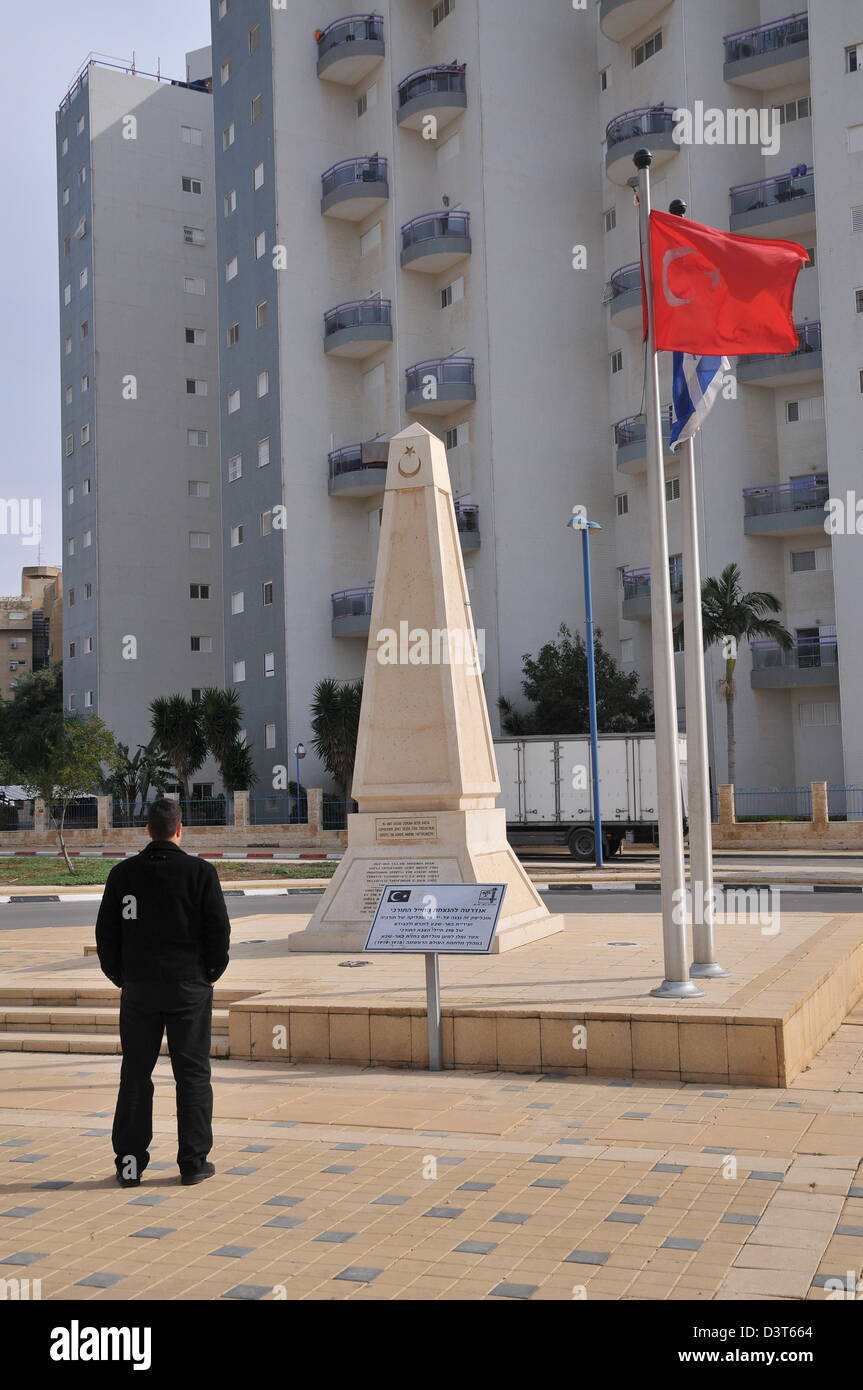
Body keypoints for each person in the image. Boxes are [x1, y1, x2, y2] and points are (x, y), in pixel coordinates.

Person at [96, 798, 230, 1188]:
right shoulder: (200, 873)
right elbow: (218, 931)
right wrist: (210, 974)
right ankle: (193, 1163)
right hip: (189, 987)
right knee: (192, 1074)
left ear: (148, 830)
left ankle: (130, 1165)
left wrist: (123, 978)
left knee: (135, 1074)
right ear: (179, 829)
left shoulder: (123, 874)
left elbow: (106, 935)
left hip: (139, 989)